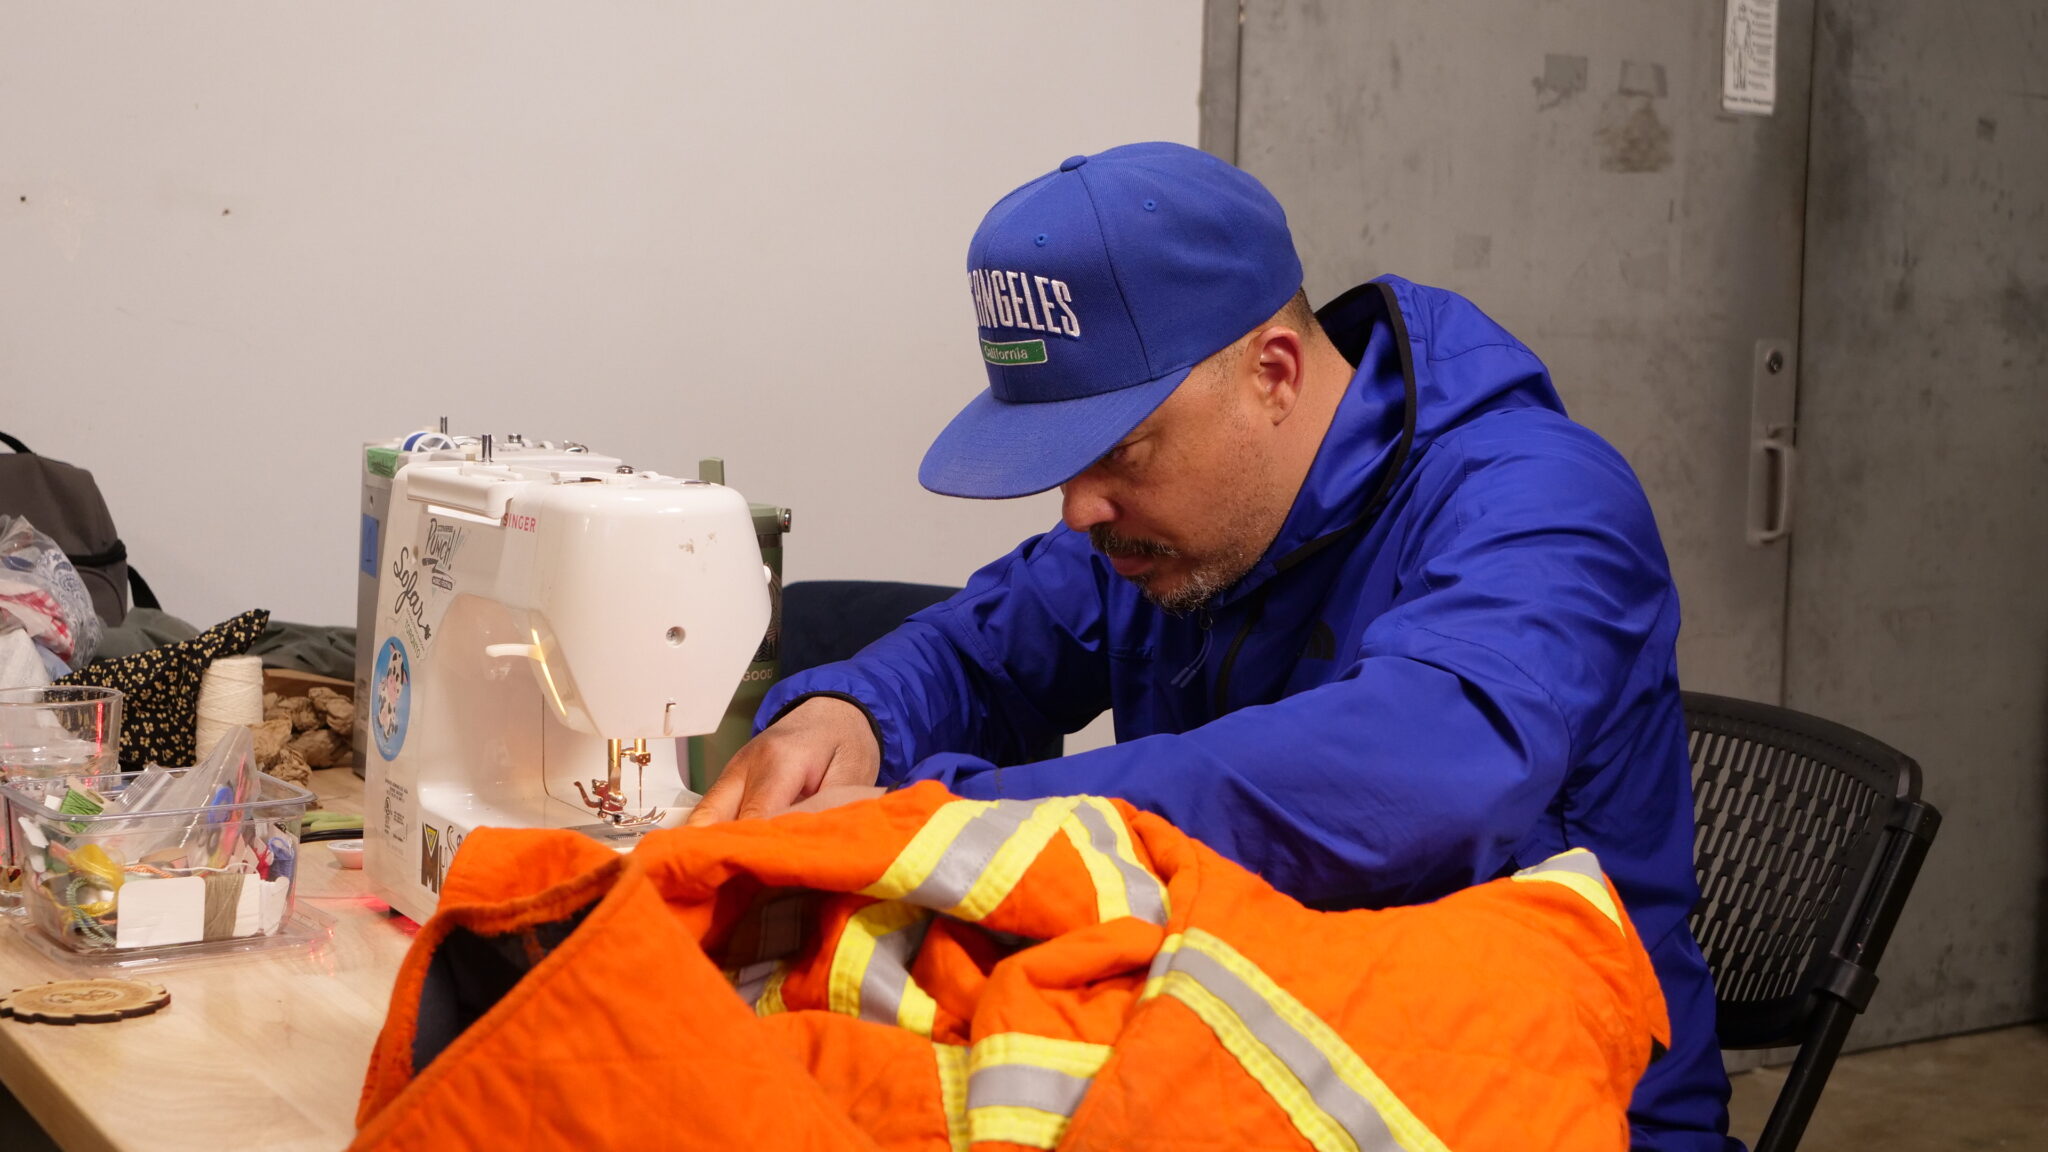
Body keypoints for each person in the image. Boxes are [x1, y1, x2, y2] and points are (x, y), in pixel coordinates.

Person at [691, 142, 1737, 1151]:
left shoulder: (1543, 506)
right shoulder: (1158, 532)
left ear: (1273, 373)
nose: (1078, 510)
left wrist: (941, 823)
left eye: (1120, 451)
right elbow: (981, 650)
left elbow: (1416, 777)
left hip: (1545, 1102)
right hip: (1271, 1038)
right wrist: (851, 714)